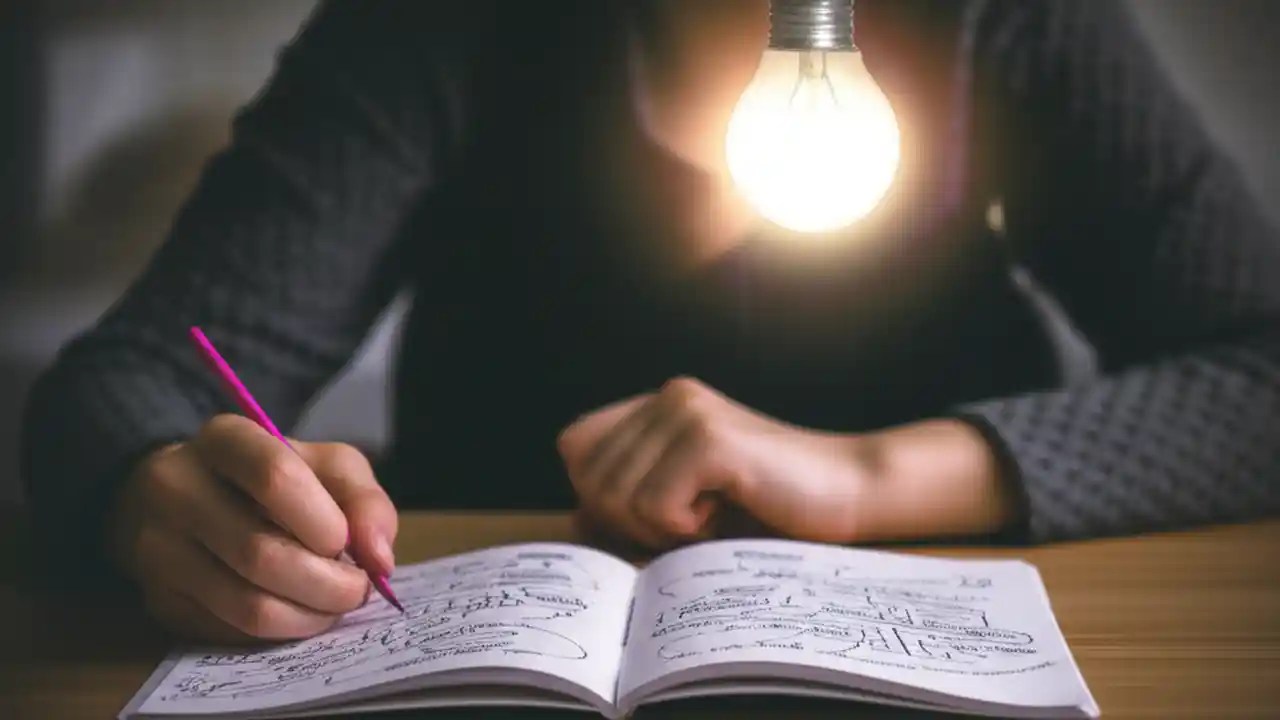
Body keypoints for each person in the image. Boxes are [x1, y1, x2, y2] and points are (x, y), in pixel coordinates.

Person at [21, 0, 1280, 643]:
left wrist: (870, 475)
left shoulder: (1005, 20)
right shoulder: (434, 28)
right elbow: (127, 380)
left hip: (927, 651)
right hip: (498, 669)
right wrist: (156, 497)